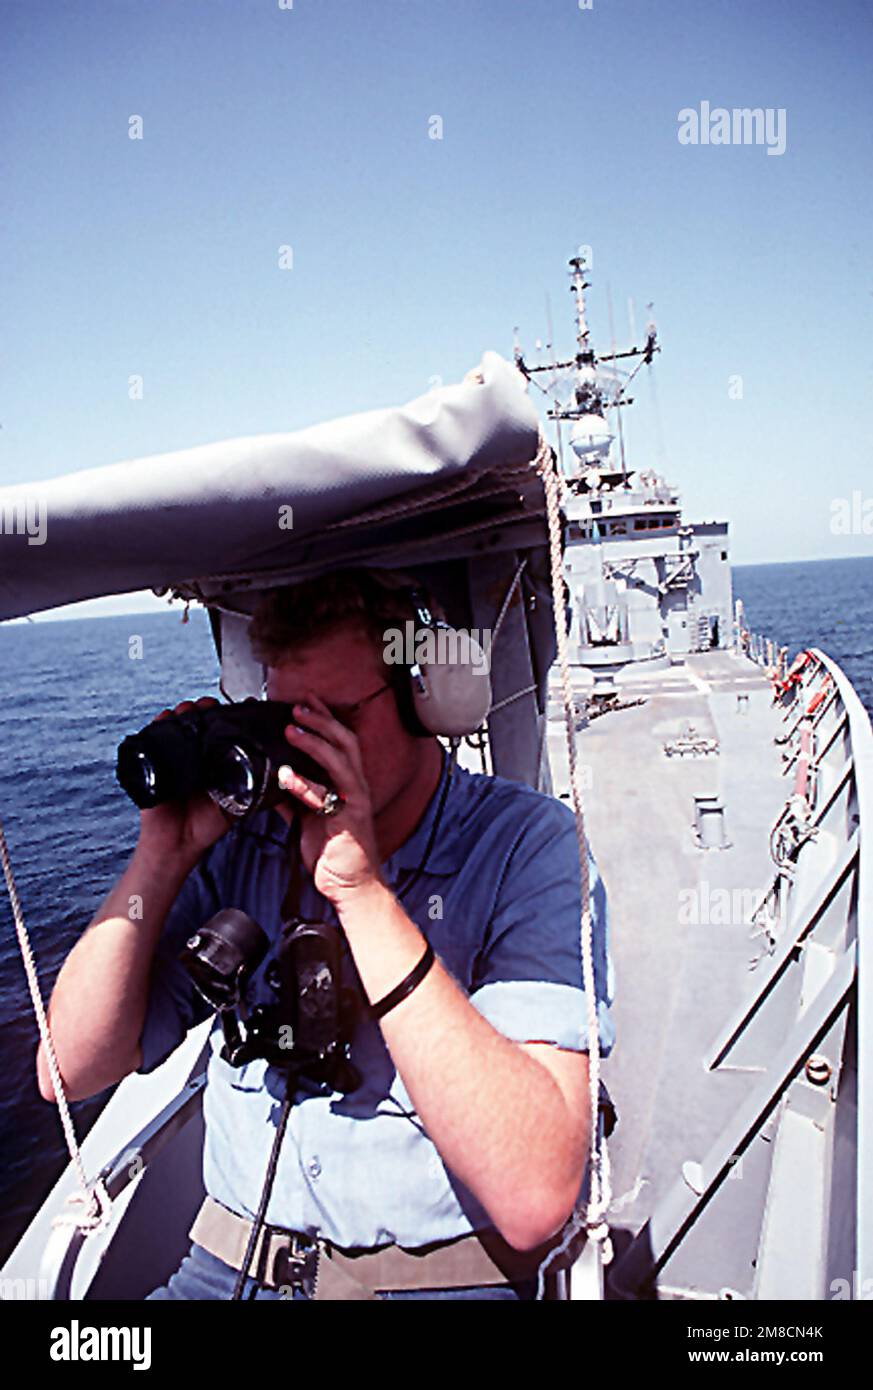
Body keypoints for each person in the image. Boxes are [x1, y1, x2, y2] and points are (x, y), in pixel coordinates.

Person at [37, 568, 614, 1300]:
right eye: (287, 720)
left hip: (436, 1285)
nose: (305, 749)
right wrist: (164, 852)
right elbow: (70, 1069)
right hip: (227, 1270)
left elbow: (534, 1198)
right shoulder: (246, 846)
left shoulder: (525, 847)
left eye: (335, 718)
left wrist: (361, 893)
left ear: (426, 701)